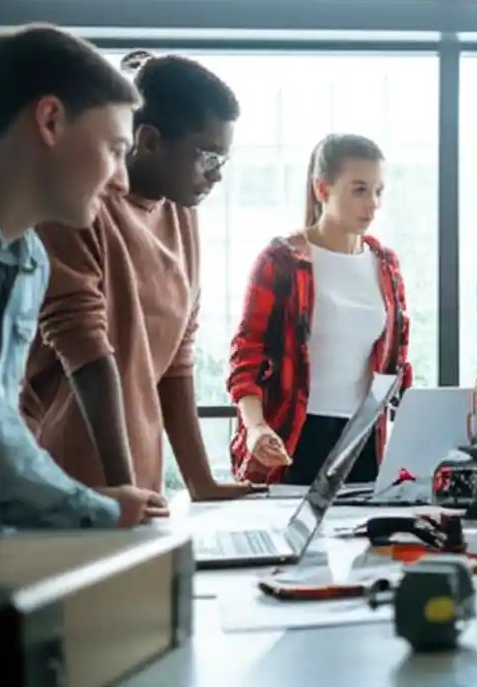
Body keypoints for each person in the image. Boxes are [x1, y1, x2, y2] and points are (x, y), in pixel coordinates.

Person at [0, 24, 168, 547]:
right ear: (50, 120)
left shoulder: (30, 259)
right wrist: (94, 509)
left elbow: (4, 424)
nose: (122, 182)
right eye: (113, 148)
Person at [21, 50, 255, 501]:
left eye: (222, 161)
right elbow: (85, 351)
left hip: (136, 480)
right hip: (70, 480)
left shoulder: (182, 212)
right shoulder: (77, 205)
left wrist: (200, 483)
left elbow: (178, 358)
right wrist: (120, 486)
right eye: (207, 157)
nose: (216, 177)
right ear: (148, 141)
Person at [227, 134, 412, 484]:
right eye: (359, 190)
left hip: (363, 440)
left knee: (361, 537)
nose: (372, 204)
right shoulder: (282, 261)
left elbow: (397, 365)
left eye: (378, 191)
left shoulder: (386, 265)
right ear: (322, 190)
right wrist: (256, 427)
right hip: (293, 436)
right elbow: (246, 356)